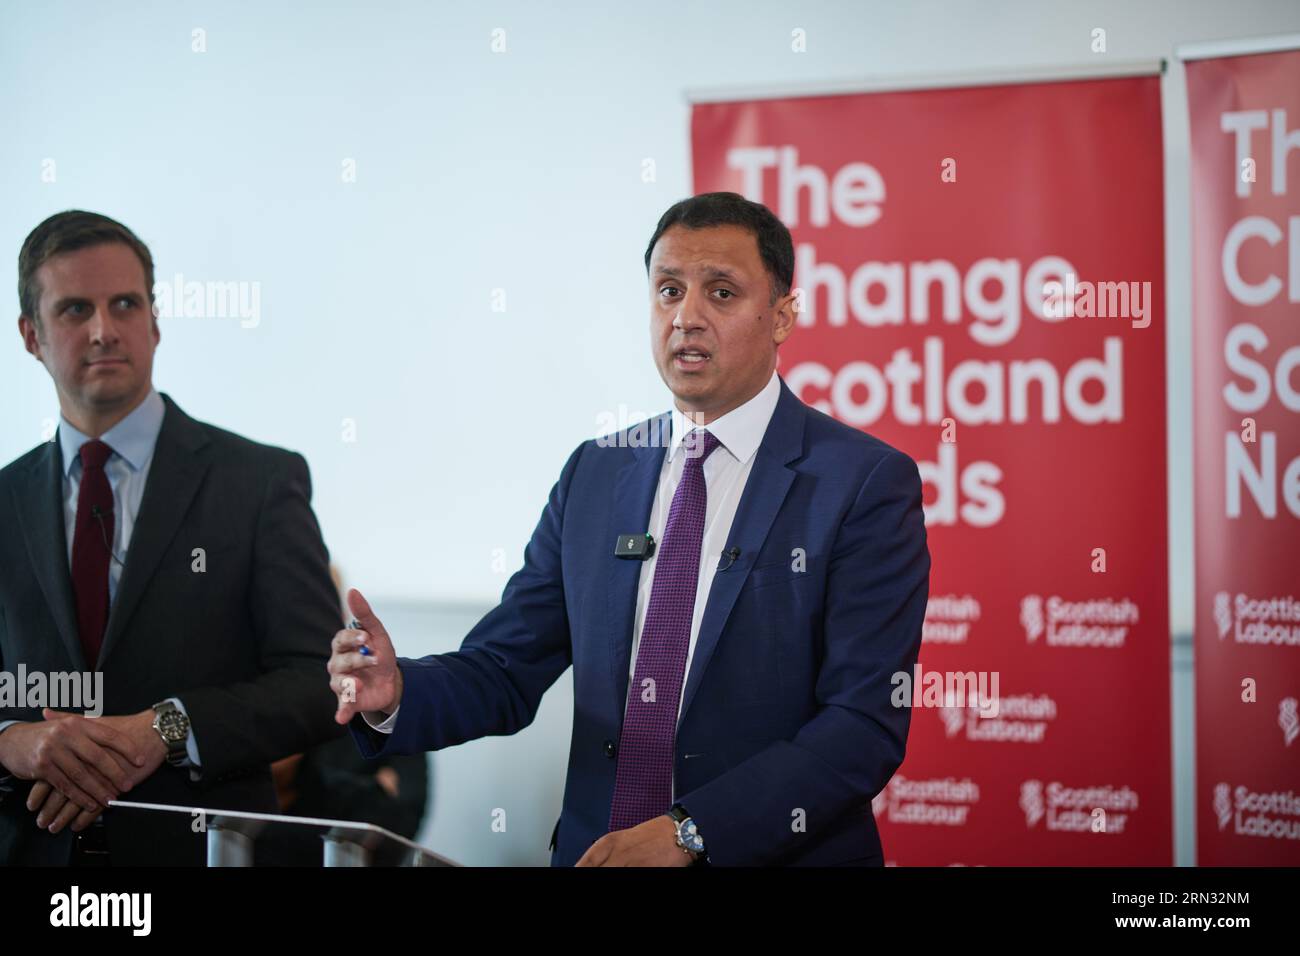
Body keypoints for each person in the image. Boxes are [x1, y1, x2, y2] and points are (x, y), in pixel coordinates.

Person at [329, 192, 931, 866]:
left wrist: (688, 832)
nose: (686, 317)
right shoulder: (596, 473)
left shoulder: (862, 483)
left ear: (783, 316)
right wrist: (399, 693)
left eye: (722, 293)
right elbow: (506, 668)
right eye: (668, 291)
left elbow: (861, 726)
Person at [0, 210, 345, 865]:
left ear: (155, 321)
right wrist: (12, 740)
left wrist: (168, 727)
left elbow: (315, 682)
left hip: (201, 854)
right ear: (31, 335)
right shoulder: (3, 500)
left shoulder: (260, 481)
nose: (104, 331)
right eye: (75, 309)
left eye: (125, 304)